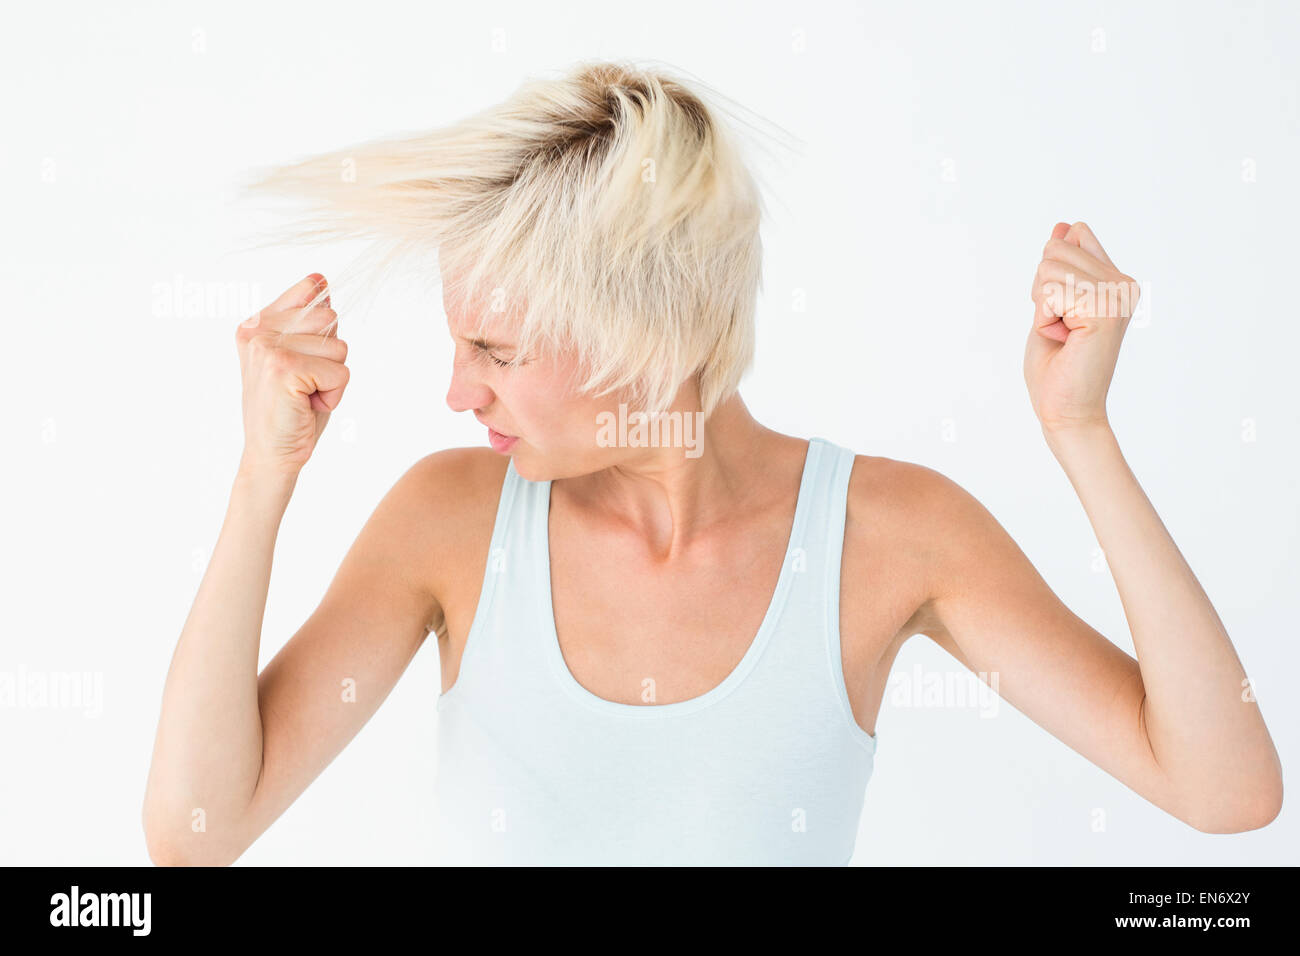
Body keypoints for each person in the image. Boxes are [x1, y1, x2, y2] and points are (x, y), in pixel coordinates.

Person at [142, 60, 1283, 866]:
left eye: (496, 350)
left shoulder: (892, 533)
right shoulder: (448, 518)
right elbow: (195, 834)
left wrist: (1079, 432)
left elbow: (1222, 789)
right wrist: (262, 478)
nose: (456, 391)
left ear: (657, 339)